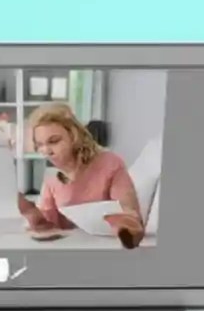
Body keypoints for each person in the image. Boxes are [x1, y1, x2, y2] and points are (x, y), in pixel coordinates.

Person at [17, 103, 145, 249]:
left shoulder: (110, 163)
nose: (46, 151)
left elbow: (129, 213)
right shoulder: (52, 177)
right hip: (72, 247)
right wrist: (35, 217)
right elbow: (50, 223)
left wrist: (127, 228)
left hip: (106, 244)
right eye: (40, 144)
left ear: (73, 136)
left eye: (54, 141)